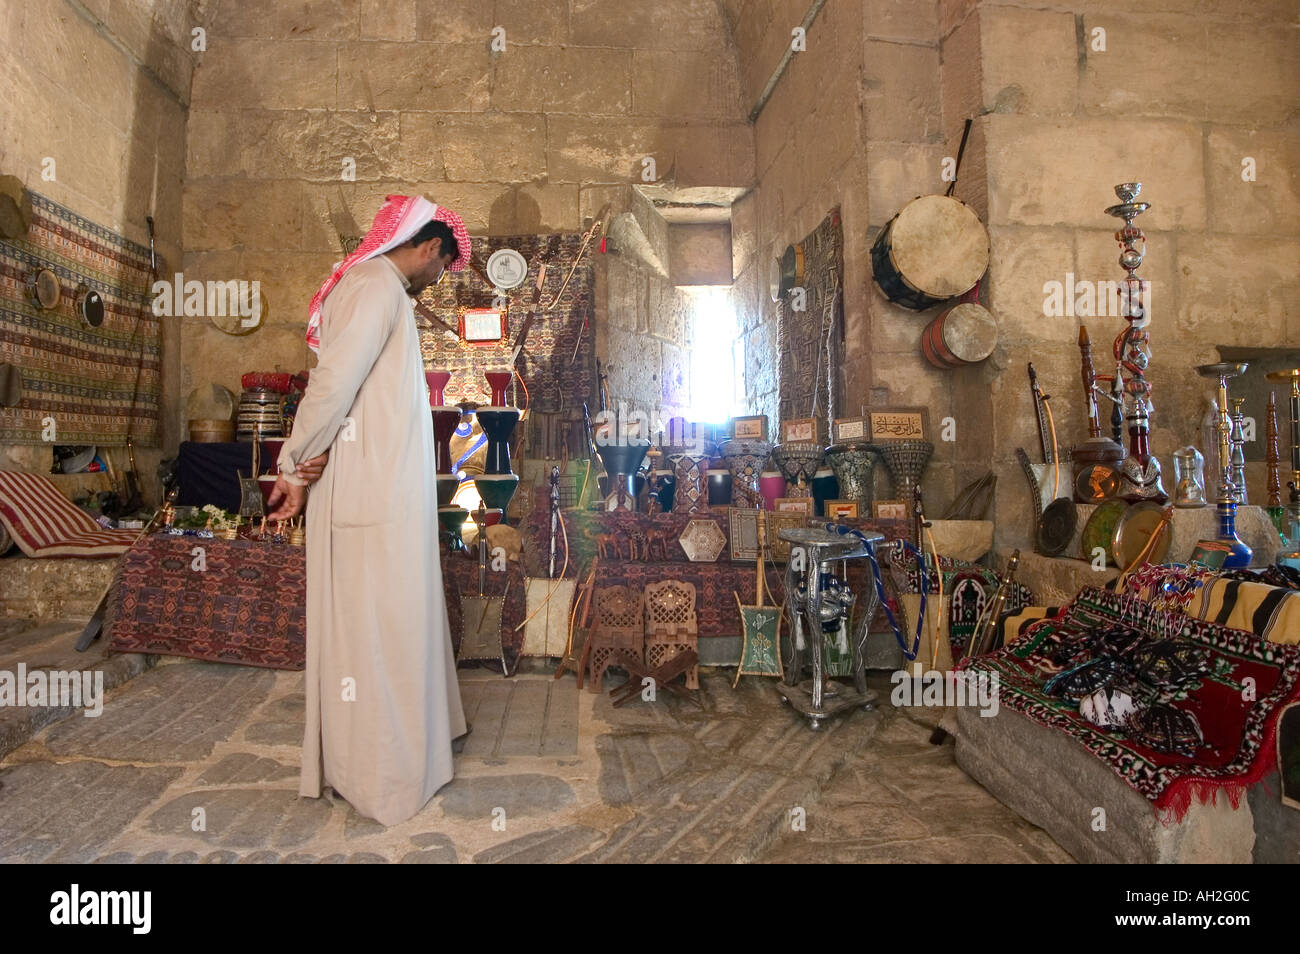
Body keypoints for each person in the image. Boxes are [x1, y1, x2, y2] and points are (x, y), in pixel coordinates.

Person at [266, 194, 471, 826]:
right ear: (429, 246)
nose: (439, 281)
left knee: (395, 619)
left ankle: (413, 751)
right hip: (367, 493)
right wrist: (294, 462)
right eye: (443, 267)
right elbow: (331, 385)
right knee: (374, 629)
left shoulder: (382, 289)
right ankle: (380, 773)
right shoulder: (375, 286)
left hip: (385, 490)